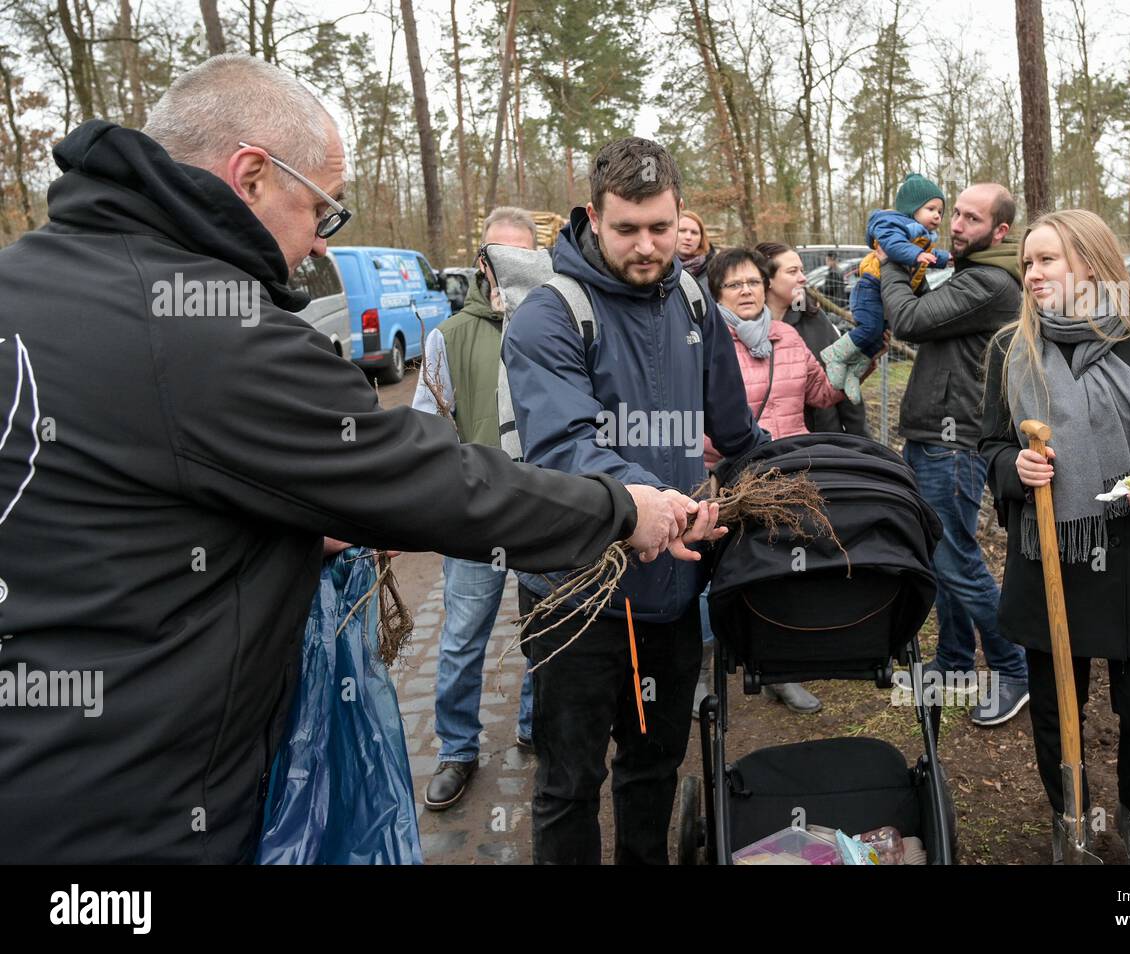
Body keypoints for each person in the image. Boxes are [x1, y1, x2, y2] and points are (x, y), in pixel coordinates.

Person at [0, 55, 699, 864]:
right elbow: (429, 480)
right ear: (253, 175)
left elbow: (133, 505)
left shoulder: (30, 282)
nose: (314, 245)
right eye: (321, 211)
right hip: (135, 812)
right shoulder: (206, 328)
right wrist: (621, 509)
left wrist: (283, 532)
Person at [502, 137, 766, 864]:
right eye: (627, 230)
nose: (648, 247)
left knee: (652, 769)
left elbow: (735, 429)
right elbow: (565, 449)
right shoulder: (550, 316)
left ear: (681, 215)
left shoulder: (690, 299)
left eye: (661, 227)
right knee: (569, 783)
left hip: (671, 591)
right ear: (593, 217)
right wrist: (656, 505)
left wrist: (767, 477)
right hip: (575, 594)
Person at [980, 209, 1130, 864]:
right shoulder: (1011, 350)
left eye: (1047, 259)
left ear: (1090, 260)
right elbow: (990, 445)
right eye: (1026, 263)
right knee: (1058, 715)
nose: (1033, 273)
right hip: (1049, 555)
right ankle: (1069, 818)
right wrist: (1012, 470)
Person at [880, 183, 1031, 727]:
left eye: (971, 218)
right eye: (956, 215)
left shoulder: (992, 283)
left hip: (954, 444)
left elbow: (911, 321)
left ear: (1000, 230)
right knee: (943, 561)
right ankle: (953, 664)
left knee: (958, 561)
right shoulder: (972, 271)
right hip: (932, 437)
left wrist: (892, 259)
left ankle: (1015, 670)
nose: (957, 225)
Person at [698, 246, 865, 717]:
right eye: (734, 284)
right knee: (714, 579)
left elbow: (820, 391)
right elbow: (695, 417)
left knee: (783, 574)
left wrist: (858, 355)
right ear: (717, 294)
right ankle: (699, 675)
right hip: (729, 479)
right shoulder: (705, 344)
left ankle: (779, 674)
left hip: (790, 476)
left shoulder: (787, 336)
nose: (746, 290)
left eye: (753, 281)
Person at [412, 207, 540, 810]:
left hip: (544, 507)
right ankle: (457, 749)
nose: (509, 266)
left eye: (524, 252)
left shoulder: (553, 327)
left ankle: (537, 724)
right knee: (464, 637)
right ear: (481, 259)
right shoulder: (449, 335)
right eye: (498, 253)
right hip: (476, 515)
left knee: (549, 626)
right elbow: (424, 428)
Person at [822, 173, 951, 394]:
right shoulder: (891, 223)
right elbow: (893, 245)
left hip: (887, 291)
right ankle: (835, 354)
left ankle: (854, 372)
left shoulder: (922, 238)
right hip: (872, 286)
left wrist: (945, 259)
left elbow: (929, 255)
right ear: (912, 208)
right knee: (870, 329)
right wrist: (916, 254)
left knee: (879, 338)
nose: (937, 216)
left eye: (940, 211)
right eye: (931, 209)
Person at [757, 242, 868, 439]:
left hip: (824, 444)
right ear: (767, 280)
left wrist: (860, 440)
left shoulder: (815, 320)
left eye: (802, 270)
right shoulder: (744, 330)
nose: (803, 278)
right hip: (769, 450)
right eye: (792, 272)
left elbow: (844, 383)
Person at [676, 209, 715, 277]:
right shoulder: (658, 268)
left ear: (701, 238)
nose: (688, 237)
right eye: (682, 230)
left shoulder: (715, 270)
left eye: (694, 232)